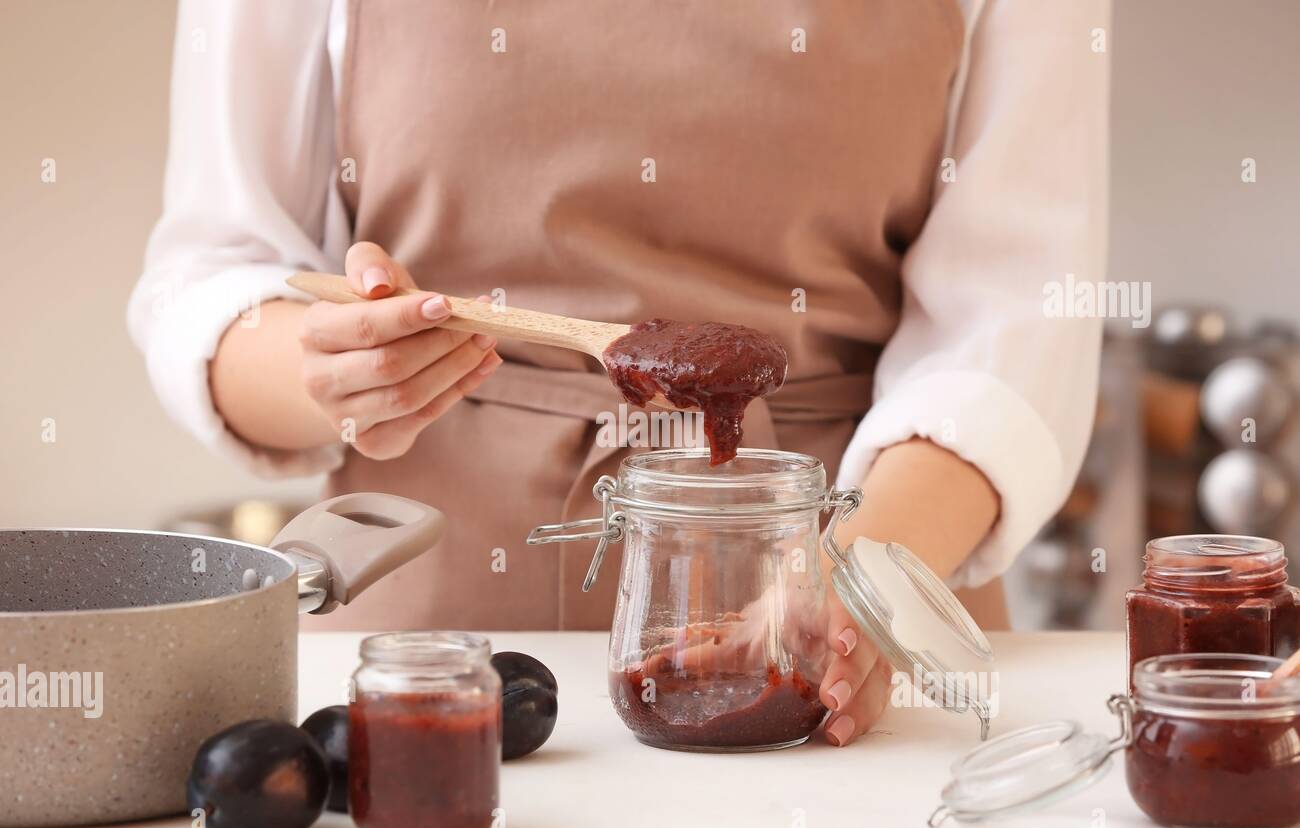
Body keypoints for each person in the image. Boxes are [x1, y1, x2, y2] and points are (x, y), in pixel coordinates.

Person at [129, 0, 1109, 746]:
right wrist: (329, 367)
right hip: (432, 645)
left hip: (851, 613)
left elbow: (1017, 321)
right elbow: (213, 273)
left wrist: (855, 580)